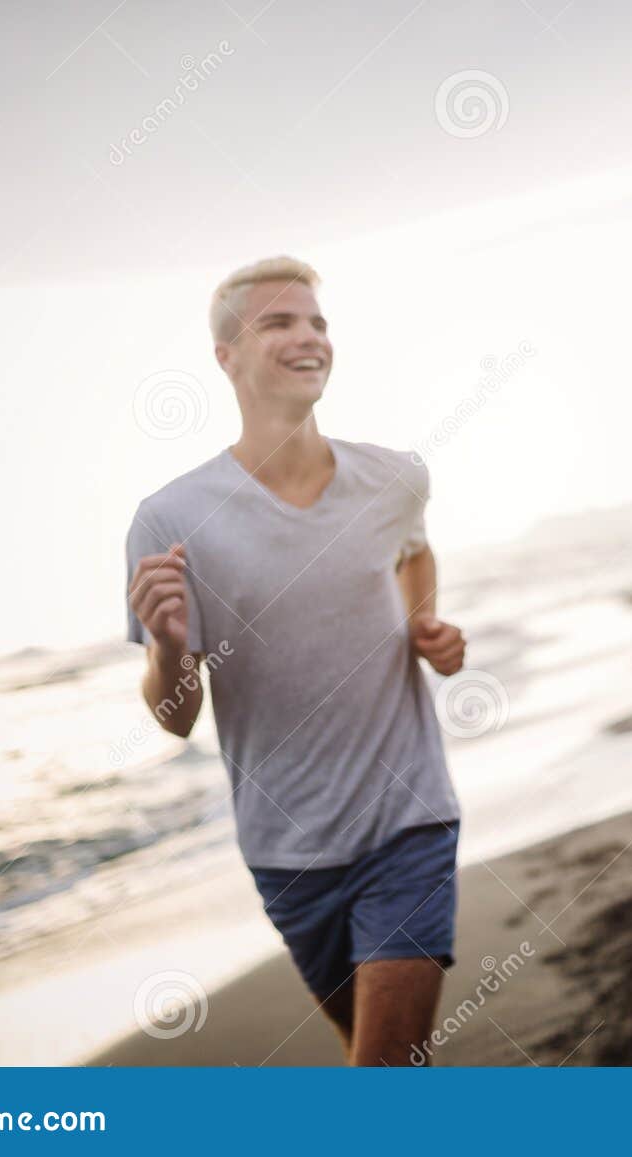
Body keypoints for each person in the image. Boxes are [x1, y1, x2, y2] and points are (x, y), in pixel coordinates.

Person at [124, 256, 468, 1065]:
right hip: (288, 851)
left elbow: (414, 554)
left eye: (317, 321)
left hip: (408, 818)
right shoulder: (171, 520)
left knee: (382, 1072)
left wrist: (427, 627)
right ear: (226, 357)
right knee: (383, 1059)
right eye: (280, 322)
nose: (309, 336)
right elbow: (175, 720)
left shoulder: (393, 477)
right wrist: (170, 645)